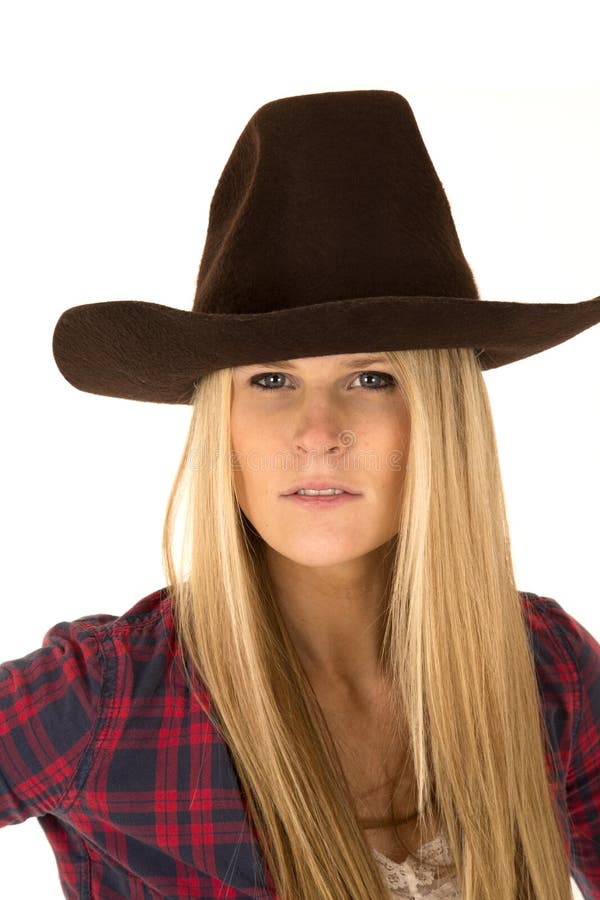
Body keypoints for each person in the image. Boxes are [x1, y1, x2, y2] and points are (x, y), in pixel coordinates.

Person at [2, 89, 600, 899]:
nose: (317, 431)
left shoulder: (546, 670)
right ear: (225, 423)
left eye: (371, 377)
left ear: (442, 421)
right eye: (273, 379)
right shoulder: (108, 698)